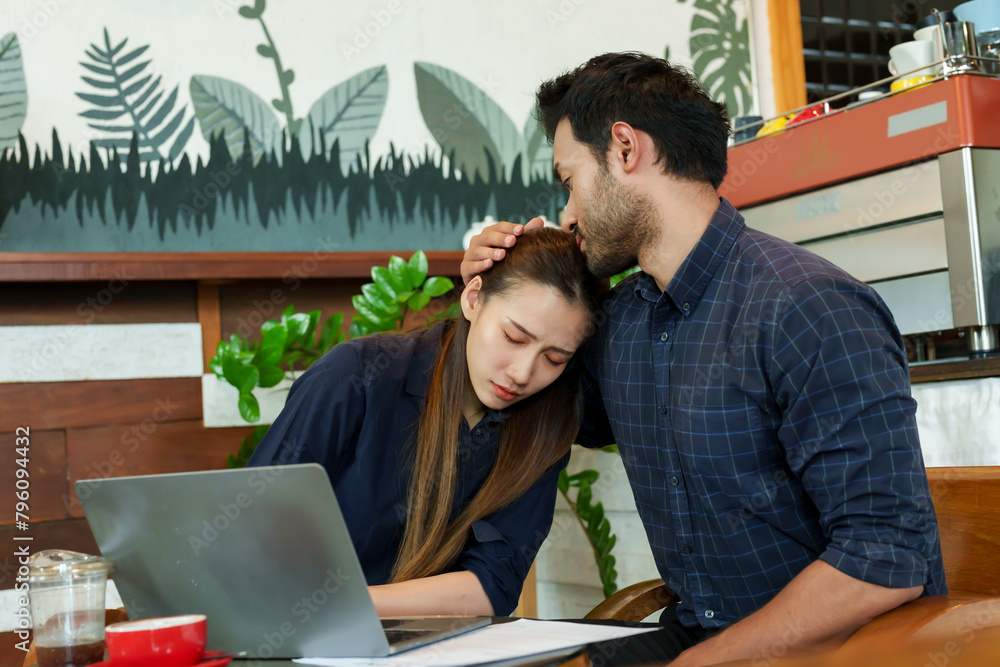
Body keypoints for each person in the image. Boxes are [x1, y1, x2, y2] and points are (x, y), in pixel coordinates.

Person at [463, 52, 945, 665]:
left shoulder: (810, 307)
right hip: (700, 635)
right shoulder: (624, 323)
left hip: (848, 649)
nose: (568, 214)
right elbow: (522, 397)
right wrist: (503, 283)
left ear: (624, 148)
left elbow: (885, 561)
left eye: (569, 180)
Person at [247, 228, 606, 618]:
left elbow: (494, 583)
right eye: (514, 337)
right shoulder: (357, 376)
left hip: (433, 646)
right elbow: (254, 525)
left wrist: (354, 606)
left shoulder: (544, 426)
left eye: (554, 358)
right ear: (473, 298)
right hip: (301, 633)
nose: (522, 373)